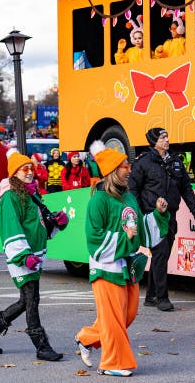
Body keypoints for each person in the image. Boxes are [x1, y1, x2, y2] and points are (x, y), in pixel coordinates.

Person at [75, 140, 169, 377]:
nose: (129, 169)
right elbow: (93, 238)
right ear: (113, 171)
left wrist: (159, 214)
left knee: (128, 315)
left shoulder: (128, 197)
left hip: (128, 268)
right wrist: (123, 238)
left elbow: (141, 229)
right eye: (125, 165)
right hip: (106, 268)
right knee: (115, 320)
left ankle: (86, 338)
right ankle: (111, 364)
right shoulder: (98, 200)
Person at [0, 152, 69, 361]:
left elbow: (36, 224)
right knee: (32, 299)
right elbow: (11, 228)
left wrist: (56, 222)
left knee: (24, 300)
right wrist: (23, 256)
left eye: (31, 168)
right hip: (24, 257)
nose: (29, 172)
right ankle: (41, 345)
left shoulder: (31, 193)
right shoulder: (11, 196)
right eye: (24, 169)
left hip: (33, 256)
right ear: (14, 173)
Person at [128, 127, 195, 311]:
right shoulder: (143, 163)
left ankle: (151, 295)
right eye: (163, 137)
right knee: (160, 252)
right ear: (154, 142)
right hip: (153, 216)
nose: (167, 140)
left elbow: (186, 188)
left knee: (161, 256)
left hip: (171, 216)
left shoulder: (176, 161)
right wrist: (139, 214)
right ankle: (162, 298)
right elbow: (133, 189)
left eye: (167, 136)